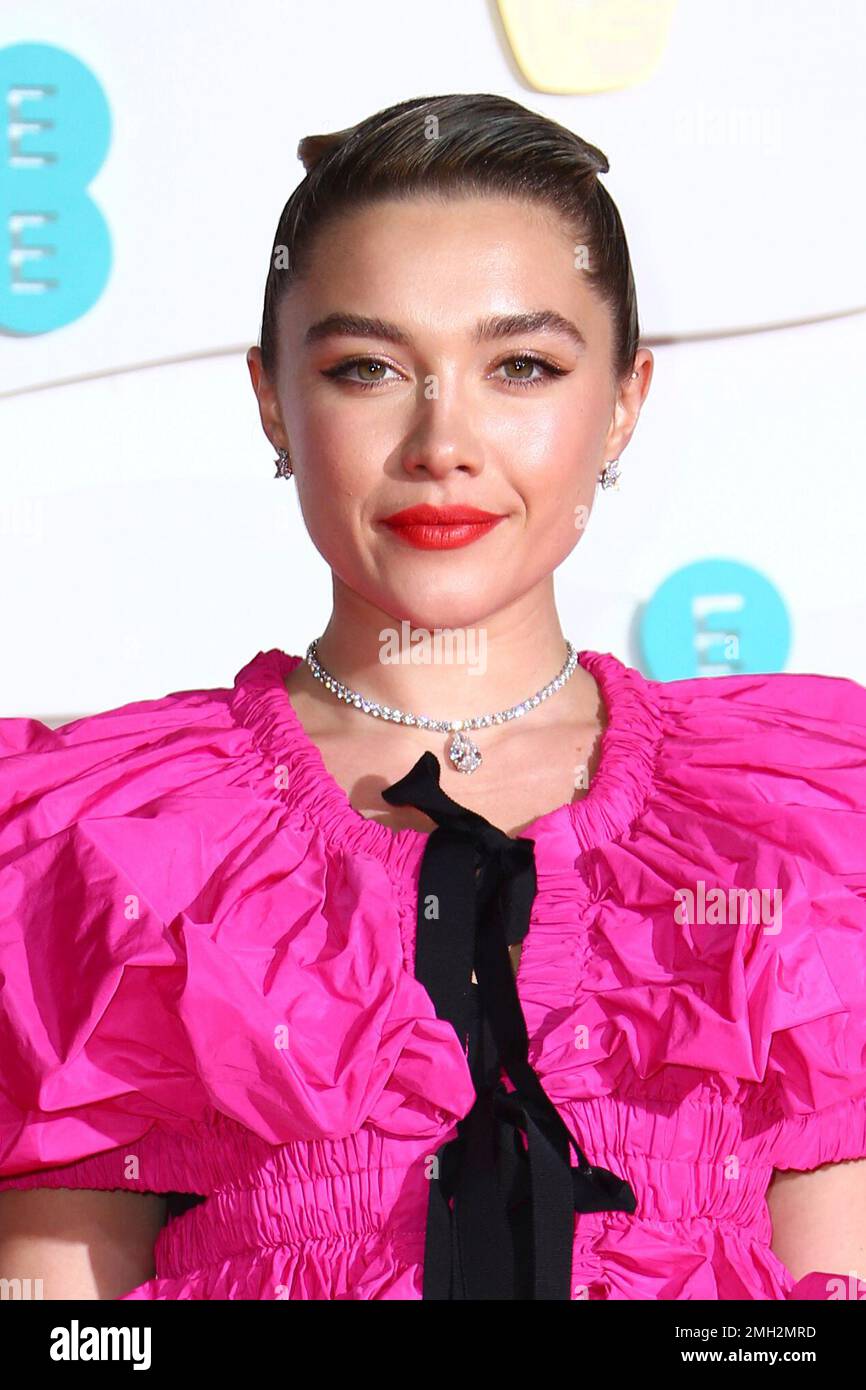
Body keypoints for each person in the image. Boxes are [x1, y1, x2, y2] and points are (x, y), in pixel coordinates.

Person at [1, 91, 865, 1302]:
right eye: (366, 367)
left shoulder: (796, 810)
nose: (439, 441)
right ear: (271, 401)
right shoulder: (105, 833)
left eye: (521, 364)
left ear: (623, 400)